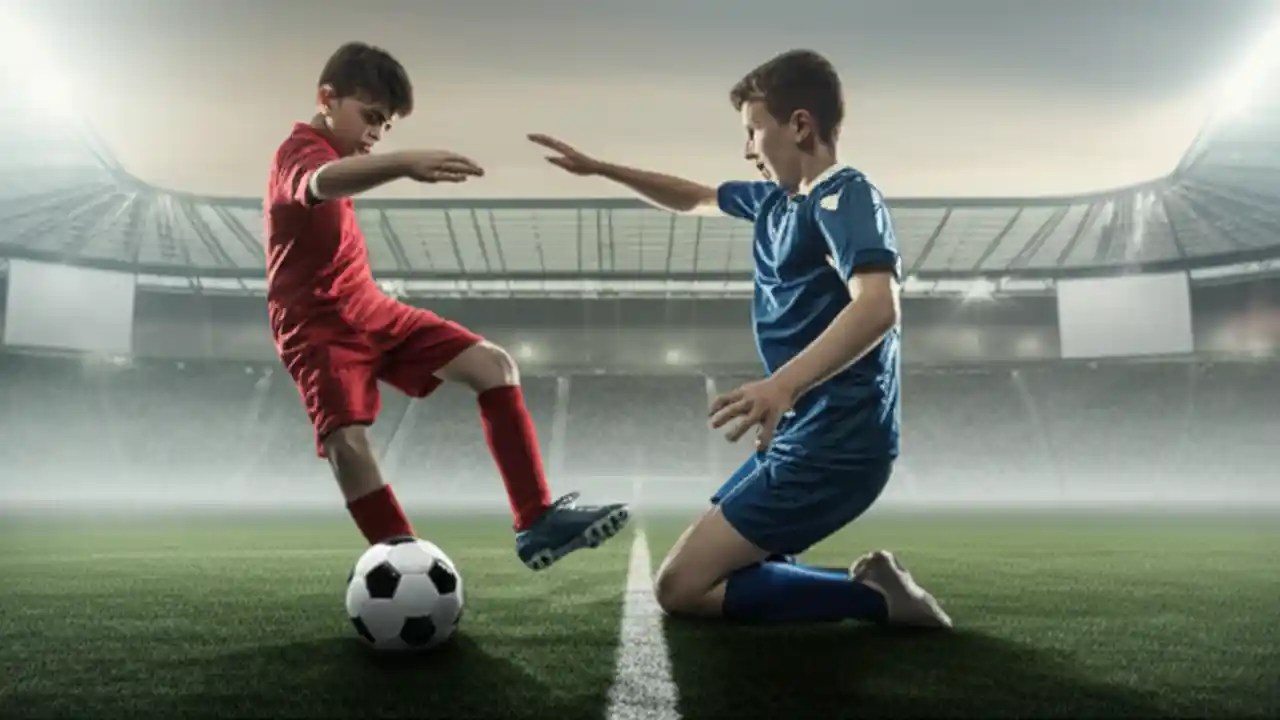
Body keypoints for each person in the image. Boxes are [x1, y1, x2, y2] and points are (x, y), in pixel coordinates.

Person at [531, 49, 950, 625]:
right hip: (801, 434)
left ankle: (876, 599)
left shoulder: (845, 197)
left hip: (840, 444)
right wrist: (602, 169)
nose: (748, 149)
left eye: (754, 131)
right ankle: (864, 582)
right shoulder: (776, 201)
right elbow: (695, 197)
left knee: (680, 587)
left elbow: (878, 306)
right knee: (726, 562)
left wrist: (782, 386)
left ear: (799, 125)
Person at [265, 42, 628, 569]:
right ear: (327, 98)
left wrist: (389, 160)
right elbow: (318, 184)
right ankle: (403, 559)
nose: (376, 133)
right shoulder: (297, 151)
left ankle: (536, 522)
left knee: (494, 365)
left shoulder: (339, 155)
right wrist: (403, 163)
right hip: (316, 325)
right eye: (370, 116)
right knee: (346, 441)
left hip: (369, 307)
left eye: (386, 125)